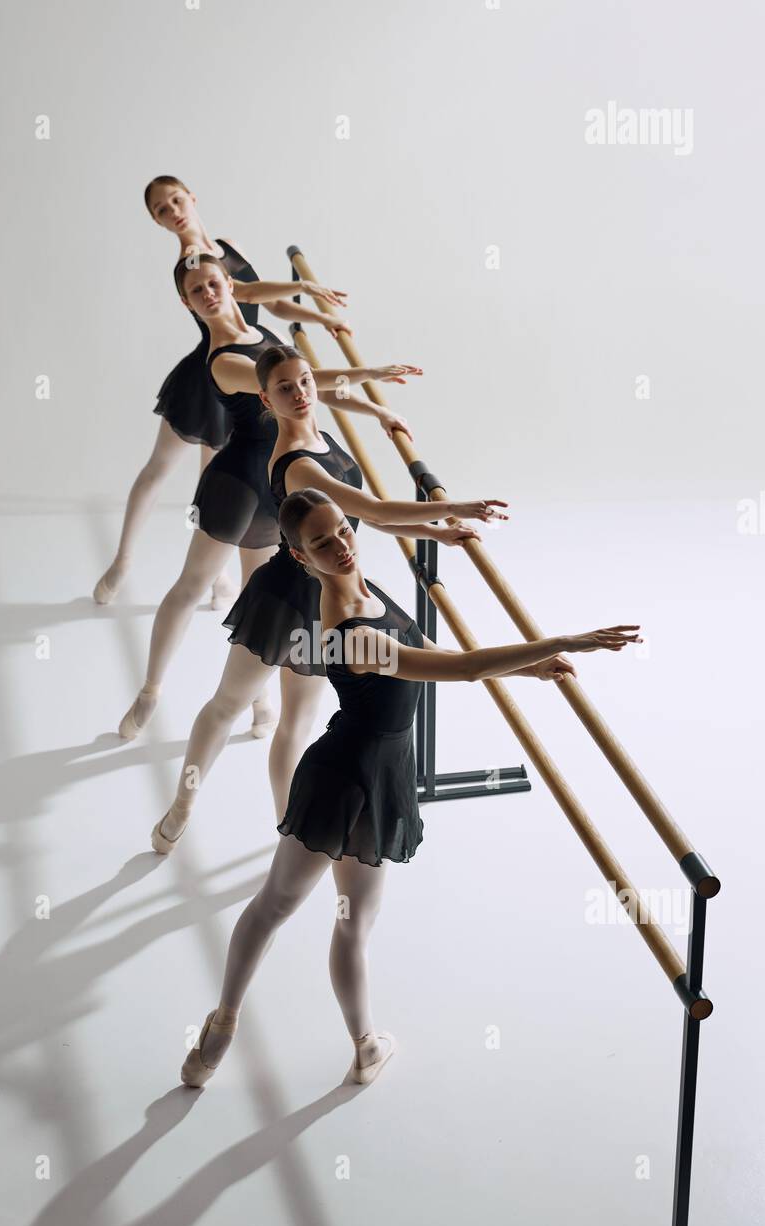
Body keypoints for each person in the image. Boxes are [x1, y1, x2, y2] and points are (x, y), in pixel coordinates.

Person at [180, 488, 642, 1089]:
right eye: (321, 542)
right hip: (348, 779)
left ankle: (307, 1036)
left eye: (343, 529)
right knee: (303, 911)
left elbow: (441, 656)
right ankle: (249, 1025)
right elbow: (462, 670)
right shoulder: (350, 629)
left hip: (364, 774)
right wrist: (561, 641)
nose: (341, 545)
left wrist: (530, 668)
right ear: (298, 557)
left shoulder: (363, 591)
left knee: (308, 911)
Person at [150, 340, 496, 852]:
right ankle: (183, 804)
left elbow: (339, 402)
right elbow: (371, 510)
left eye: (306, 382)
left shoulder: (319, 430)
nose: (301, 394)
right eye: (284, 389)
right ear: (265, 401)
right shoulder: (296, 465)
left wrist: (377, 400)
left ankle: (289, 834)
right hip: (283, 603)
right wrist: (450, 513)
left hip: (331, 607)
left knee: (297, 724)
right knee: (227, 705)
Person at [118, 254, 423, 746]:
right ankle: (152, 688)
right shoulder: (223, 359)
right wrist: (372, 371)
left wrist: (374, 411)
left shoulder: (266, 340)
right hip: (239, 481)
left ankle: (257, 697)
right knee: (193, 583)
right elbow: (302, 384)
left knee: (258, 588)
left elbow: (309, 391)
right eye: (199, 291)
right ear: (188, 303)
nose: (211, 294)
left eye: (216, 284)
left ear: (231, 284)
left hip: (280, 490)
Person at [93, 173, 348, 610]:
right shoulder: (193, 262)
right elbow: (244, 290)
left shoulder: (227, 247)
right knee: (162, 468)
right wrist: (305, 286)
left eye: (176, 200)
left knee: (221, 473)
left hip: (253, 370)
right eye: (162, 210)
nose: (173, 212)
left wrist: (326, 319)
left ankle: (218, 574)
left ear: (191, 197)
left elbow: (267, 303)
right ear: (158, 222)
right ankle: (123, 560)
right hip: (214, 375)